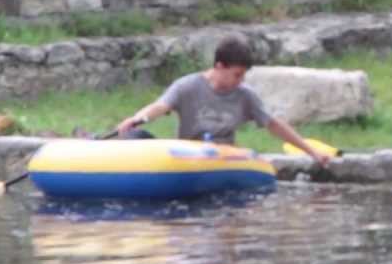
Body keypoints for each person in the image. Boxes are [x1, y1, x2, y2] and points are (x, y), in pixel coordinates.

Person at [115, 36, 332, 167]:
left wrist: (311, 152)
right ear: (219, 66)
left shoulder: (245, 95)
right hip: (190, 157)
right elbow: (161, 106)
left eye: (243, 76)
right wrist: (137, 119)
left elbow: (274, 125)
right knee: (137, 137)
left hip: (223, 158)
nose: (241, 81)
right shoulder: (187, 86)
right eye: (237, 74)